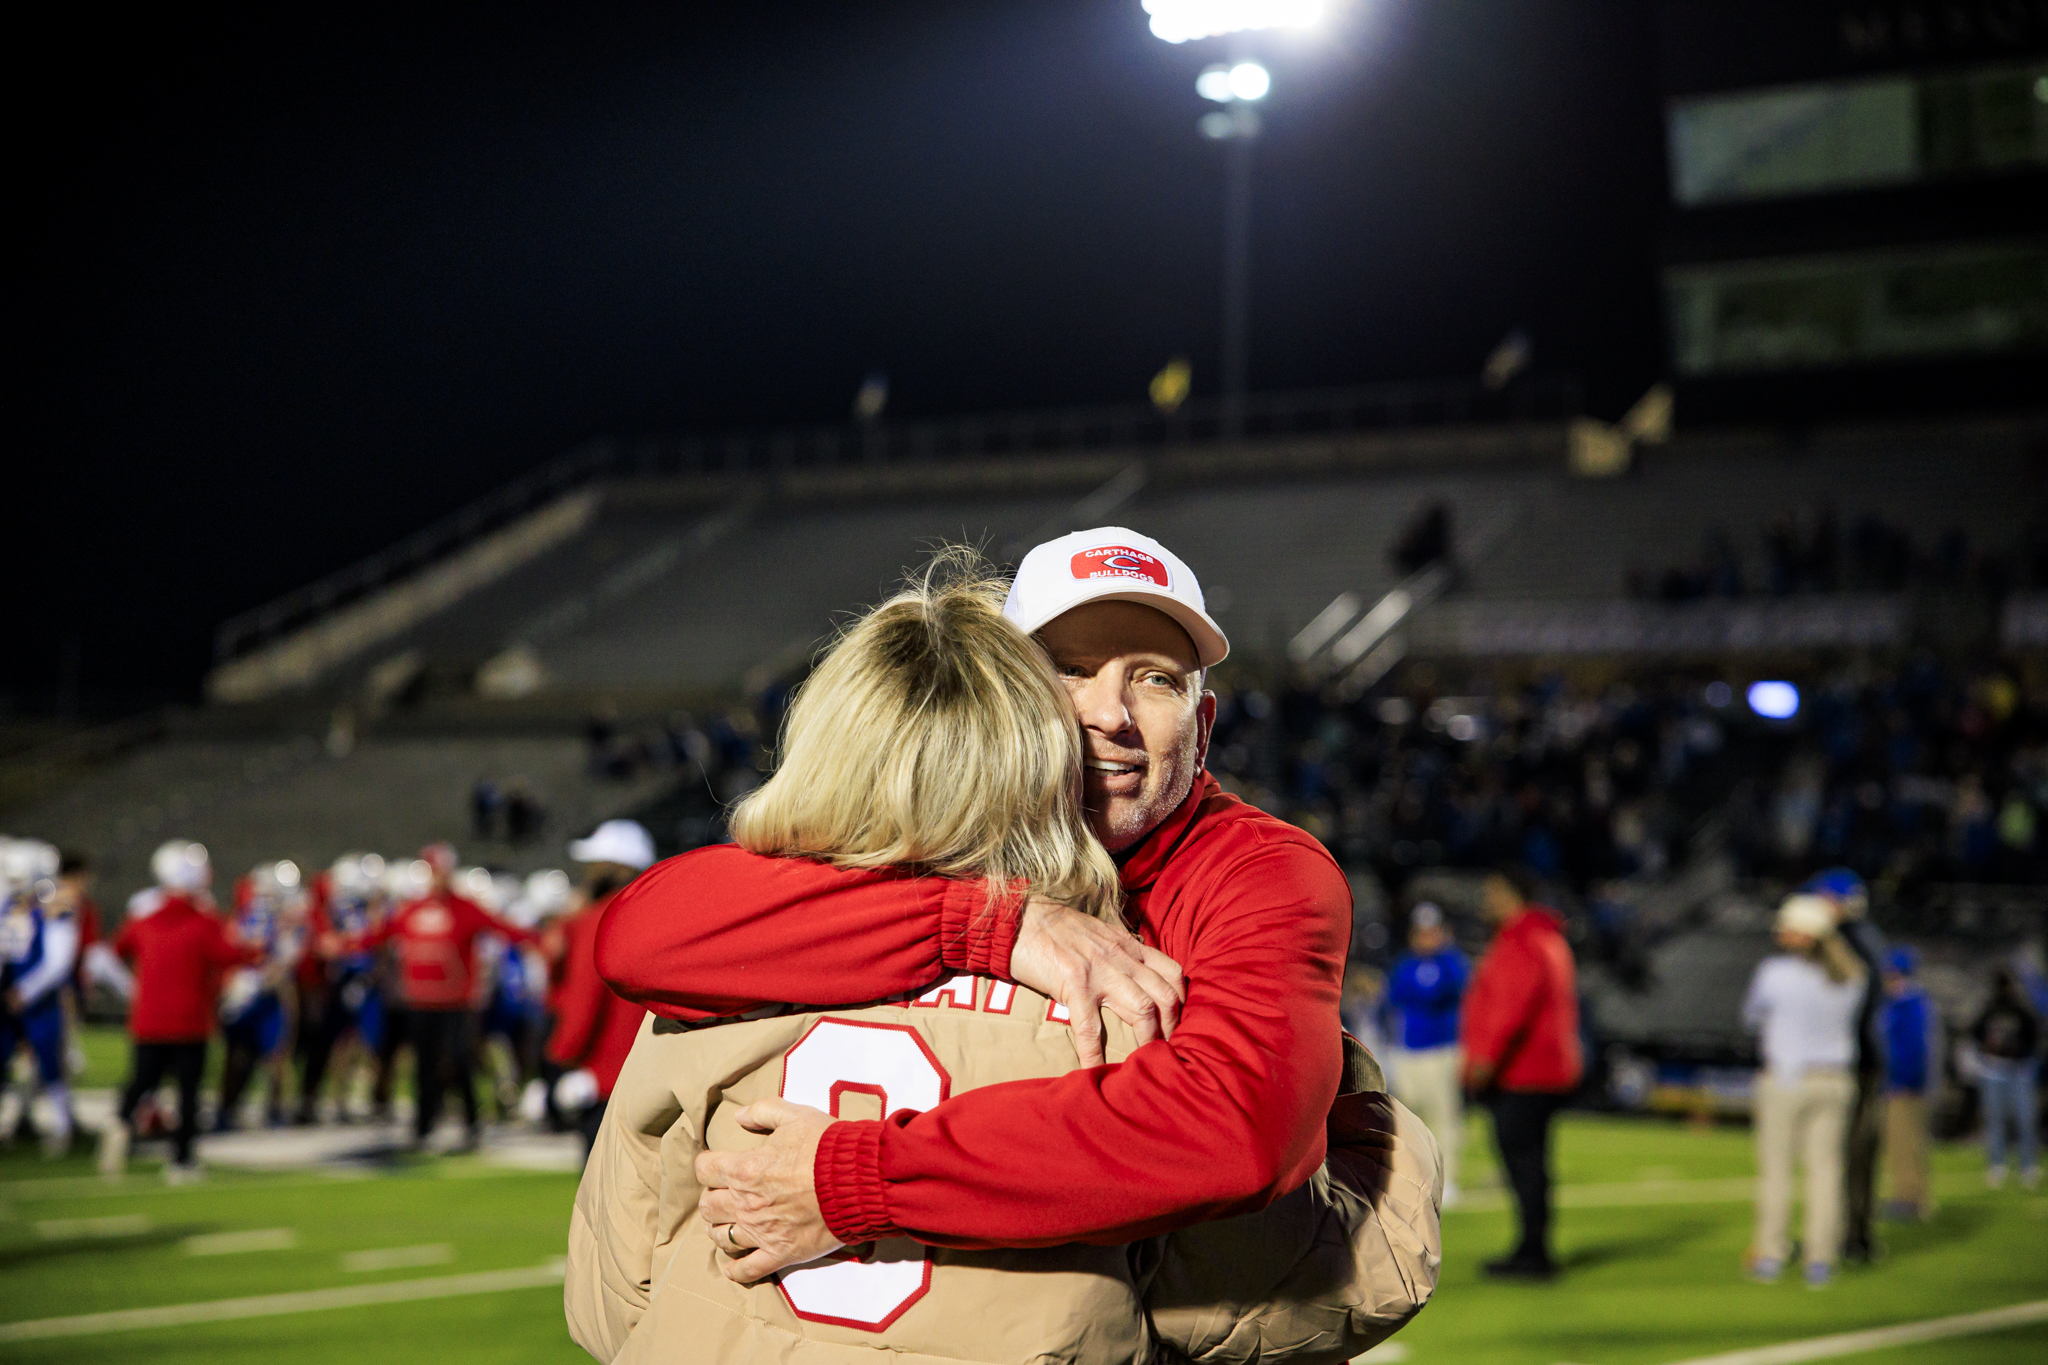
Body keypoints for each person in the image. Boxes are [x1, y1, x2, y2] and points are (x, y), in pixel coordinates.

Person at [567, 554, 1441, 1363]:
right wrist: (994, 926)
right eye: (1069, 669)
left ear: (1203, 724)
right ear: (1000, 702)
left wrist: (853, 1178)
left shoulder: (1253, 868)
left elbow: (1237, 1127)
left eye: (1156, 680)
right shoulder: (972, 893)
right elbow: (640, 934)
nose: (1111, 713)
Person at [330, 842, 537, 1150]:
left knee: (459, 1059)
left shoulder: (465, 909)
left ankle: (471, 1123)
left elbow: (503, 929)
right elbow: (379, 936)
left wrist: (540, 940)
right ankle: (424, 1125)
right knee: (424, 1064)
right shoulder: (411, 910)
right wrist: (344, 945)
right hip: (421, 1000)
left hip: (457, 1001)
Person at [101, 840, 262, 1181]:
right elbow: (230, 955)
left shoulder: (144, 916)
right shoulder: (202, 921)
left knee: (142, 1081)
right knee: (188, 1093)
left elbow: (113, 952)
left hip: (148, 1018)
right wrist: (260, 947)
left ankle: (118, 1126)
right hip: (189, 1020)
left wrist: (133, 989)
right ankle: (182, 1160)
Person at [1459, 865, 1582, 1280]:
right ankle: (1532, 1247)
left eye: (1492, 892)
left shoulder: (1522, 941)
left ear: (1511, 895)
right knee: (1532, 1162)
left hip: (1523, 1072)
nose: (1485, 901)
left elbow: (1510, 1009)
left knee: (1524, 1162)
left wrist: (1484, 1061)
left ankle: (1533, 1254)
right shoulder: (1546, 938)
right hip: (1543, 1069)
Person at [1742, 894, 1865, 1289]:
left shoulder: (1775, 972)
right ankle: (1820, 1260)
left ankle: (1772, 1253)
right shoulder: (1852, 974)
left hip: (1787, 1079)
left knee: (1777, 1172)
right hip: (1835, 1080)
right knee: (1826, 1172)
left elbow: (1751, 1017)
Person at [543, 820, 655, 1153]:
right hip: (659, 1072)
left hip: (603, 1077)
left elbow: (584, 1002)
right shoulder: (663, 915)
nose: (589, 872)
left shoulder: (595, 919)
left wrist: (559, 1060)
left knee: (602, 1198)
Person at [1804, 867, 1886, 1264]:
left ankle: (1849, 1235)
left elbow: (1856, 1008)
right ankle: (1839, 1232)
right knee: (1841, 1152)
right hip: (1856, 1060)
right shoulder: (1862, 940)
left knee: (1847, 1152)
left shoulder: (1854, 942)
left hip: (1855, 1063)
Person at [1385, 901, 1468, 1203]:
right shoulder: (1404, 964)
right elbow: (1393, 1000)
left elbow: (1439, 992)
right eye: (1421, 932)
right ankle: (1415, 1178)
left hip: (1442, 1050)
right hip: (1408, 1051)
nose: (1425, 937)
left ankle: (1448, 1182)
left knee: (1444, 1117)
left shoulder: (1451, 963)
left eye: (1431, 931)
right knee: (1410, 1121)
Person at [295, 852, 388, 1123]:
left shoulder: (372, 908)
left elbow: (378, 942)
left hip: (365, 982)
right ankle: (312, 1099)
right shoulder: (328, 908)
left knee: (365, 1042)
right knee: (327, 1043)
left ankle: (353, 1096)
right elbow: (323, 945)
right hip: (335, 984)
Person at [1, 840, 79, 1156]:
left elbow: (58, 960)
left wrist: (27, 990)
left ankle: (62, 1129)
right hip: (7, 996)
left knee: (50, 1063)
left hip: (38, 998)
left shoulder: (54, 901)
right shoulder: (8, 903)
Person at [1879, 945, 1937, 1221]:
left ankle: (1910, 1200)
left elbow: (1913, 1049)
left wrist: (1906, 1081)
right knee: (1905, 1144)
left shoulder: (1908, 1003)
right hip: (1904, 1084)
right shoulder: (1907, 1002)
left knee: (1905, 1144)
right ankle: (1911, 1197)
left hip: (1904, 1087)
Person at [1971, 965, 2040, 1190]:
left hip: (2019, 1069)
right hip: (1995, 1069)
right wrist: (1987, 1051)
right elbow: (1975, 1032)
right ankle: (1998, 1164)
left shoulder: (2021, 1009)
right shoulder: (1990, 1008)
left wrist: (2022, 1054)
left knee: (2024, 1119)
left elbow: (2035, 1035)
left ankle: (2027, 1165)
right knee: (1996, 1121)